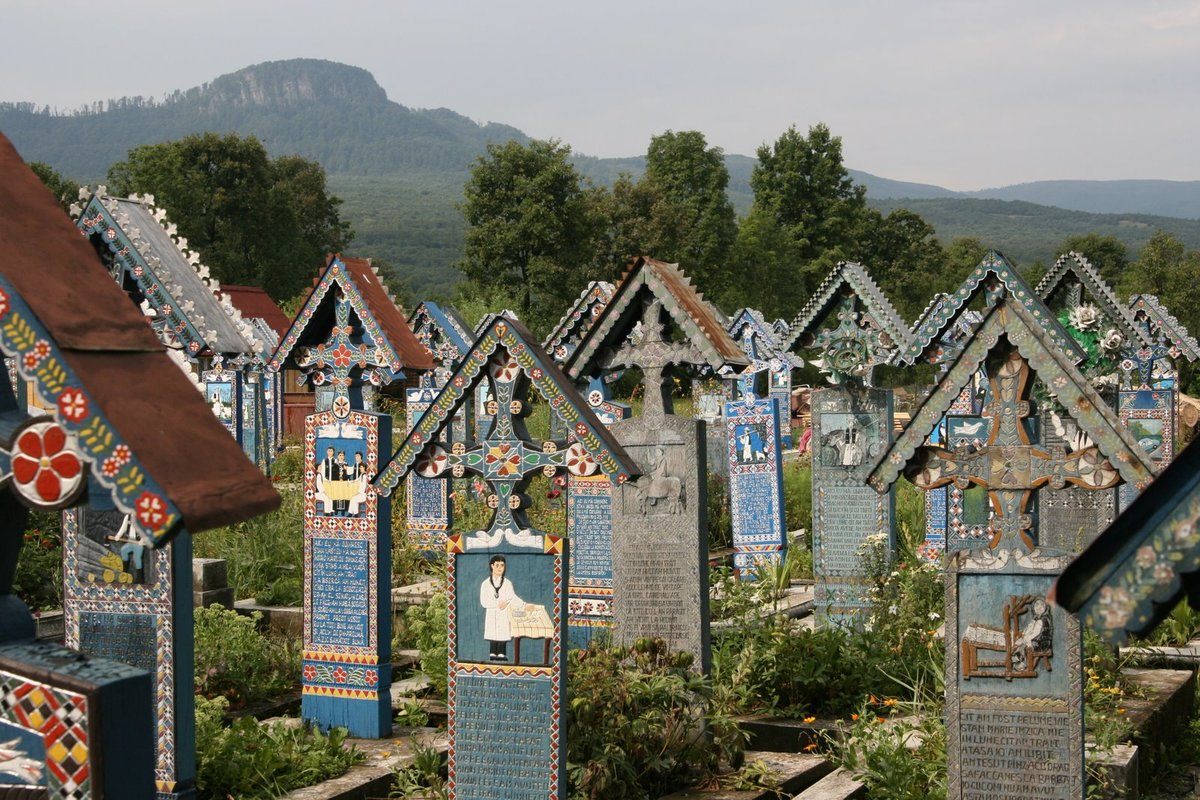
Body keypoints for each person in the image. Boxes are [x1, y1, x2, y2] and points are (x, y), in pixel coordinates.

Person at [479, 555, 531, 662]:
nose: (500, 568)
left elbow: (513, 598)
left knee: (502, 633)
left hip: (504, 615)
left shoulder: (507, 583)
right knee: (493, 634)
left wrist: (524, 605)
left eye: (502, 565)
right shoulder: (485, 584)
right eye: (497, 565)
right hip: (492, 613)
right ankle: (493, 653)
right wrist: (497, 604)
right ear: (492, 566)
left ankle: (502, 654)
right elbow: (483, 601)